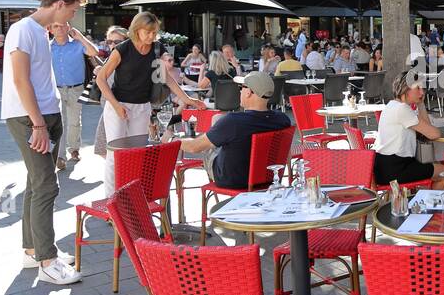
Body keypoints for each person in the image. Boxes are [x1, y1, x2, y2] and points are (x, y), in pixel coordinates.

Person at [1, 0, 89, 285]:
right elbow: (20, 80)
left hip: (45, 114)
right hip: (30, 117)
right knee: (47, 186)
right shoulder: (22, 29)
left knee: (36, 184)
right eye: (73, 10)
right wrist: (38, 124)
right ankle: (47, 261)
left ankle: (33, 250)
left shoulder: (39, 31)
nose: (73, 17)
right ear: (59, 4)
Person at [93, 11, 205, 195]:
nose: (152, 36)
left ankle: (131, 195)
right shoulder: (122, 49)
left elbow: (166, 78)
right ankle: (111, 200)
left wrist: (188, 99)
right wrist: (115, 105)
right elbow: (101, 79)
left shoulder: (156, 49)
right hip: (118, 104)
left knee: (137, 154)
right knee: (115, 154)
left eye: (154, 32)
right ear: (137, 30)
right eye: (148, 32)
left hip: (142, 106)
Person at [177, 72, 291, 188]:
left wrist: (173, 140)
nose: (240, 91)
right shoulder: (283, 120)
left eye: (241, 87)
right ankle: (214, 135)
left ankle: (210, 136)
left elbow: (194, 147)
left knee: (209, 140)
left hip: (233, 180)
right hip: (268, 177)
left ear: (248, 92)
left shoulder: (233, 122)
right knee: (218, 120)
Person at [372, 70, 444, 185]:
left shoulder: (392, 105)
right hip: (395, 168)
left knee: (436, 167)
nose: (422, 93)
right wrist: (420, 106)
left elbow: (427, 130)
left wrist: (420, 104)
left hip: (383, 166)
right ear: (405, 88)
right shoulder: (402, 109)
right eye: (418, 88)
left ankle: (424, 199)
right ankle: (431, 202)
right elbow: (434, 134)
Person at [49, 21, 100, 167]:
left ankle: (74, 148)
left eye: (63, 25)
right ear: (51, 29)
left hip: (75, 88)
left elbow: (94, 52)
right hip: (55, 89)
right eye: (56, 26)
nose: (60, 29)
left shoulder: (77, 45)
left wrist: (81, 38)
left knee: (74, 121)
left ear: (69, 28)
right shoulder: (47, 46)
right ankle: (60, 156)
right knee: (60, 122)